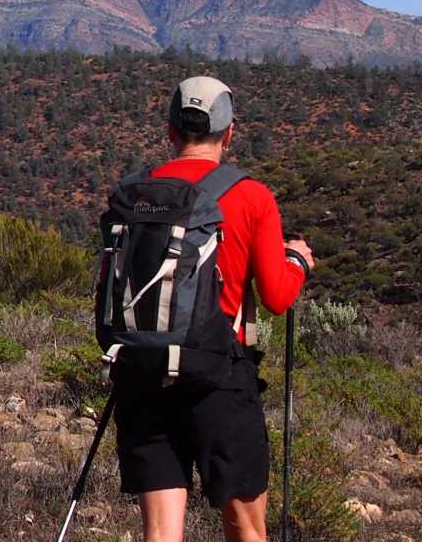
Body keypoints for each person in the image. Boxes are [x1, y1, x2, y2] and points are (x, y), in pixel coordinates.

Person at [116, 76, 316, 542]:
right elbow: (277, 297)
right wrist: (298, 262)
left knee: (160, 533)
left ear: (170, 130)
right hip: (220, 376)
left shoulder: (135, 193)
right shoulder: (252, 196)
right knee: (245, 528)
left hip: (145, 370)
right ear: (229, 134)